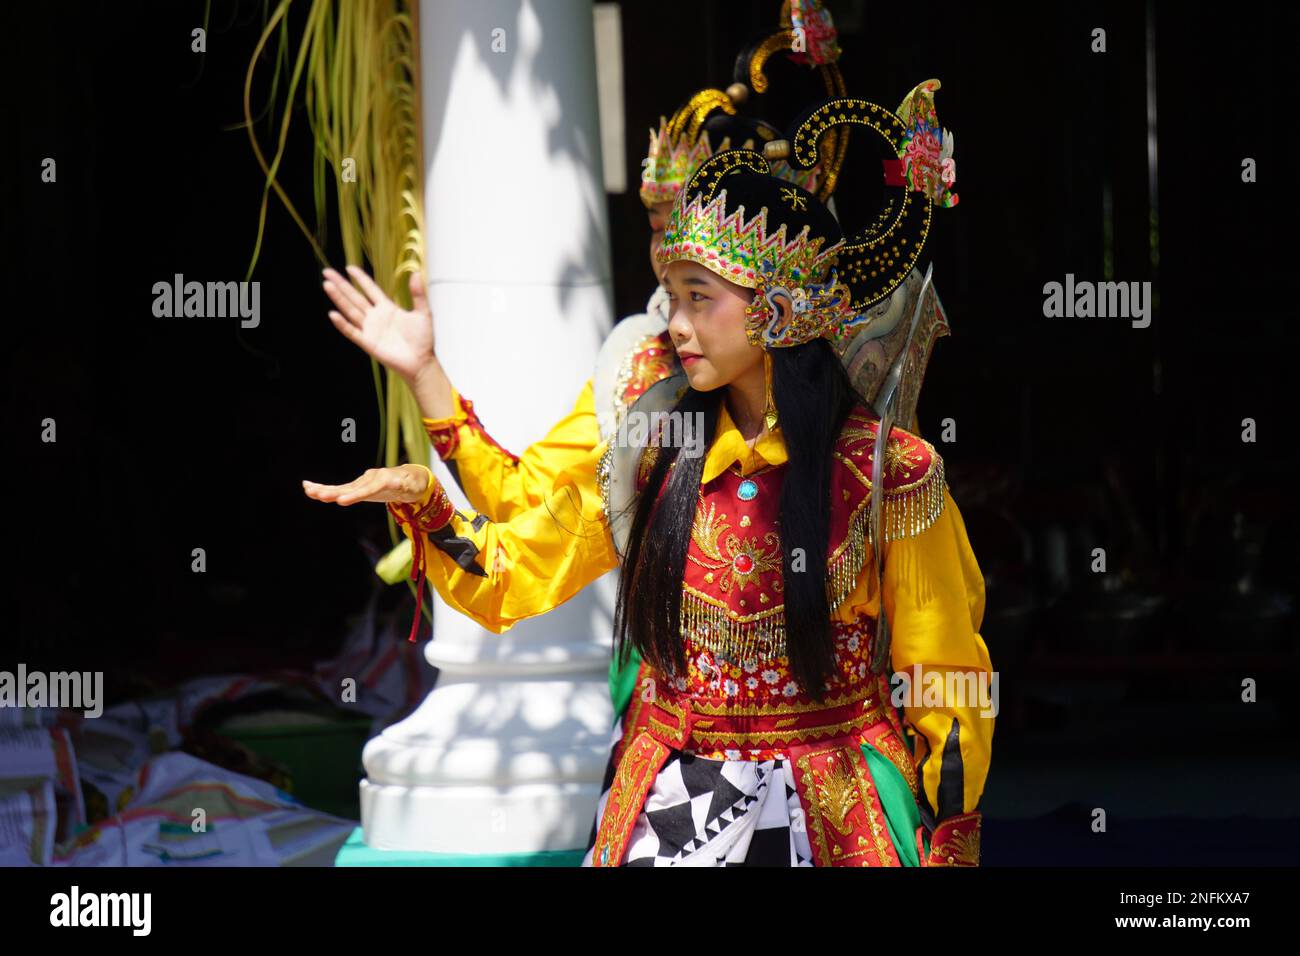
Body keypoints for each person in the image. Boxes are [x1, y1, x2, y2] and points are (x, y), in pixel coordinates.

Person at [304, 94, 992, 866]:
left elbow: (947, 677)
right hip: (673, 798)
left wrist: (952, 837)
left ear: (781, 312)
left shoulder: (888, 474)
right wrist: (427, 503)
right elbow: (512, 572)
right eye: (674, 296)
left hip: (835, 806)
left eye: (701, 298)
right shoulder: (653, 452)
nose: (674, 321)